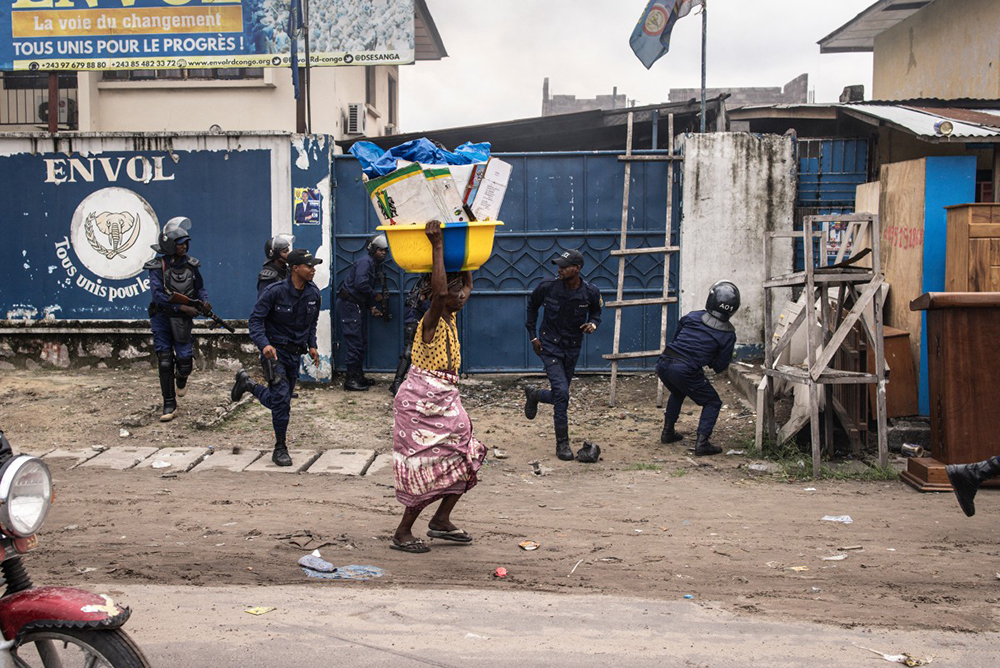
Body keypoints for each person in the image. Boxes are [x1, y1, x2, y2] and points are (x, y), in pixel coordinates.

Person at [391, 221, 485, 554]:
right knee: (425, 468)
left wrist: (470, 240)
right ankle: (403, 532)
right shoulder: (430, 320)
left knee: (468, 455)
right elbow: (444, 292)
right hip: (420, 404)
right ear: (437, 296)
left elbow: (466, 286)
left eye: (461, 290)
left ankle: (441, 519)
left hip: (444, 400)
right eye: (455, 290)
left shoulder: (451, 315)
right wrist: (438, 245)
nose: (462, 295)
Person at [230, 249, 322, 467]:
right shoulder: (274, 291)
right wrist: (265, 345)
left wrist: (312, 345)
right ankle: (280, 448)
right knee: (281, 401)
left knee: (278, 401)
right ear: (295, 268)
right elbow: (255, 321)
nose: (313, 270)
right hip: (275, 353)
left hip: (294, 354)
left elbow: (312, 323)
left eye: (314, 266)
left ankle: (248, 384)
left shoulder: (313, 294)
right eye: (309, 266)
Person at [523, 249, 602, 461]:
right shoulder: (547, 287)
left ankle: (535, 394)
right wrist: (533, 337)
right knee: (562, 392)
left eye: (564, 266)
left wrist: (593, 324)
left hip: (572, 347)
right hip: (549, 345)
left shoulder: (590, 292)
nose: (559, 269)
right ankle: (562, 444)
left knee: (561, 395)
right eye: (558, 265)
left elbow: (596, 312)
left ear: (576, 269)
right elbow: (531, 308)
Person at [656, 281, 740, 457]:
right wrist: (708, 360)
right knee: (712, 402)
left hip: (664, 363)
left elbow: (676, 338)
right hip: (685, 369)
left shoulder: (693, 316)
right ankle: (702, 443)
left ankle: (668, 432)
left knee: (678, 392)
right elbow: (720, 366)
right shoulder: (728, 334)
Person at [144, 217, 209, 423]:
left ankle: (181, 378)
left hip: (183, 320)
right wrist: (182, 307)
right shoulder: (157, 267)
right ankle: (169, 404)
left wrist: (204, 303)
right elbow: (158, 295)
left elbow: (200, 288)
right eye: (179, 243)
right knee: (164, 361)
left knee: (184, 362)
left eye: (185, 243)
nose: (184, 247)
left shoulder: (191, 265)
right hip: (162, 318)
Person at [337, 234, 389, 391]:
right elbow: (360, 285)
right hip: (350, 305)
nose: (383, 253)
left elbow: (361, 290)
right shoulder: (365, 263)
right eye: (380, 250)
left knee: (360, 341)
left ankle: (358, 376)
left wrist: (370, 306)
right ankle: (351, 380)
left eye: (385, 251)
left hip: (356, 304)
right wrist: (375, 295)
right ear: (372, 249)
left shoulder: (371, 264)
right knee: (354, 341)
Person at [389, 275, 432, 396]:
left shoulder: (422, 284)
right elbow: (425, 306)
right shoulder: (425, 287)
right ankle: (397, 383)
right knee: (408, 352)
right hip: (415, 322)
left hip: (417, 321)